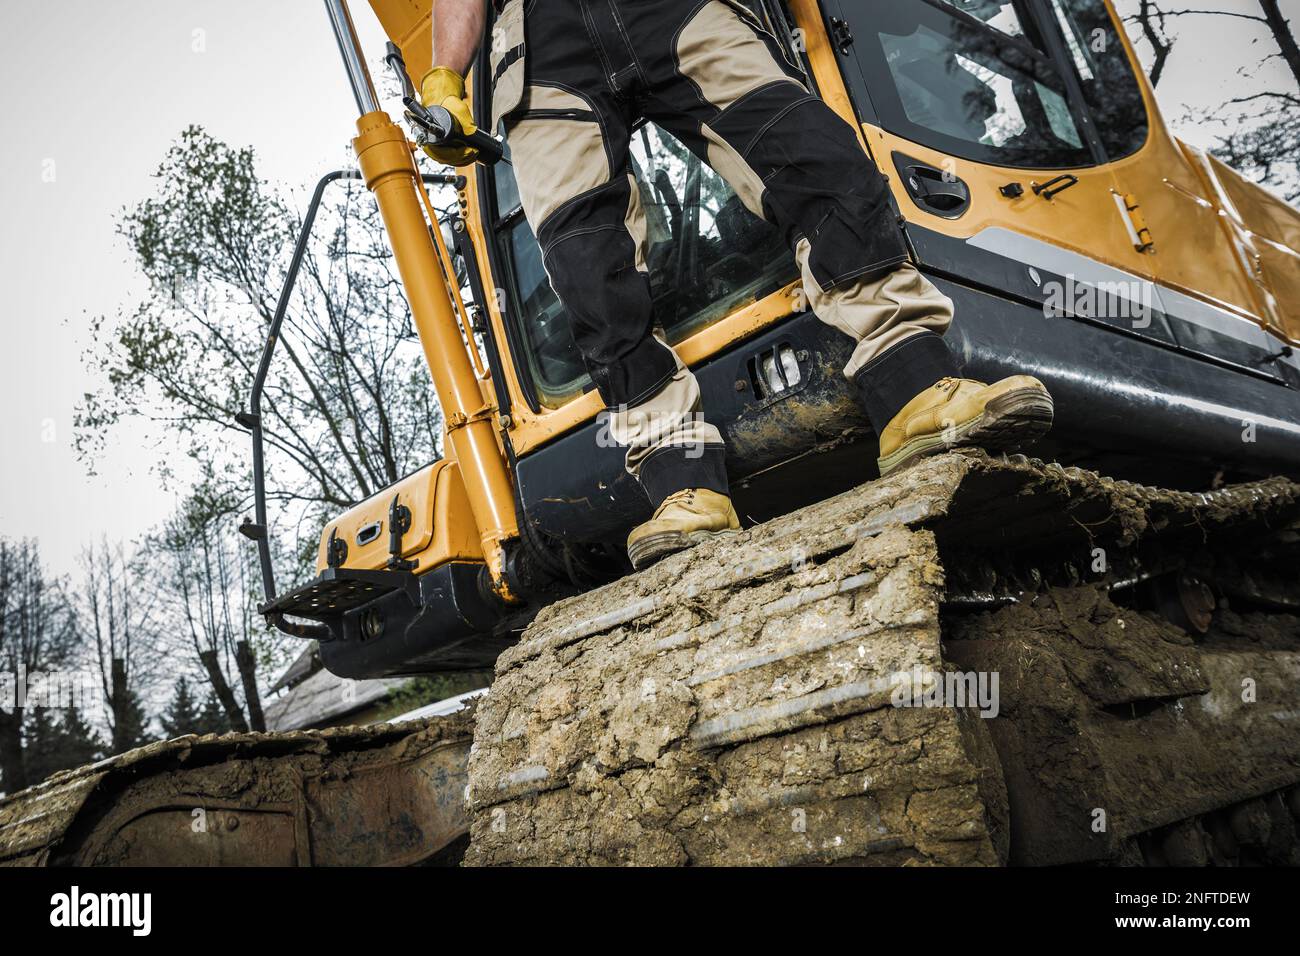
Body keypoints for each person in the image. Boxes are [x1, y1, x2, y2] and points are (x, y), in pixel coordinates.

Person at [420, 0, 1054, 569]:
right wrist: (447, 77)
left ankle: (912, 385)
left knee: (807, 152)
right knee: (586, 267)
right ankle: (680, 481)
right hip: (539, 41)